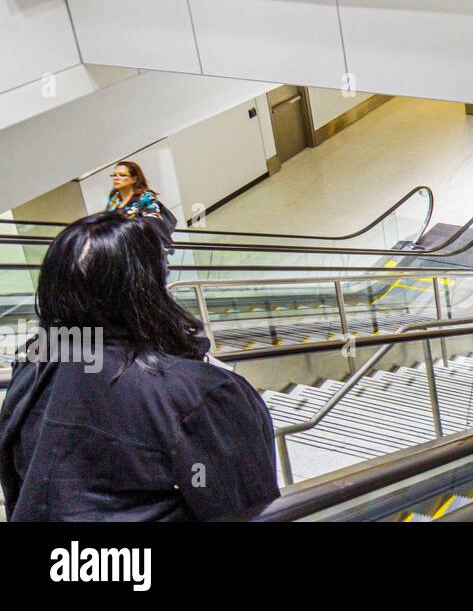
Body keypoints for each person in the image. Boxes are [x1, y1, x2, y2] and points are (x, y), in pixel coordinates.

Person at [0, 212, 279, 521]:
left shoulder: (32, 368)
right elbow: (249, 509)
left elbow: (20, 486)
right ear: (149, 287)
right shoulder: (200, 394)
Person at [106, 160, 173, 228]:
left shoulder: (146, 198)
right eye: (114, 175)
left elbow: (153, 224)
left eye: (122, 175)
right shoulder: (114, 198)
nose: (116, 178)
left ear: (134, 179)